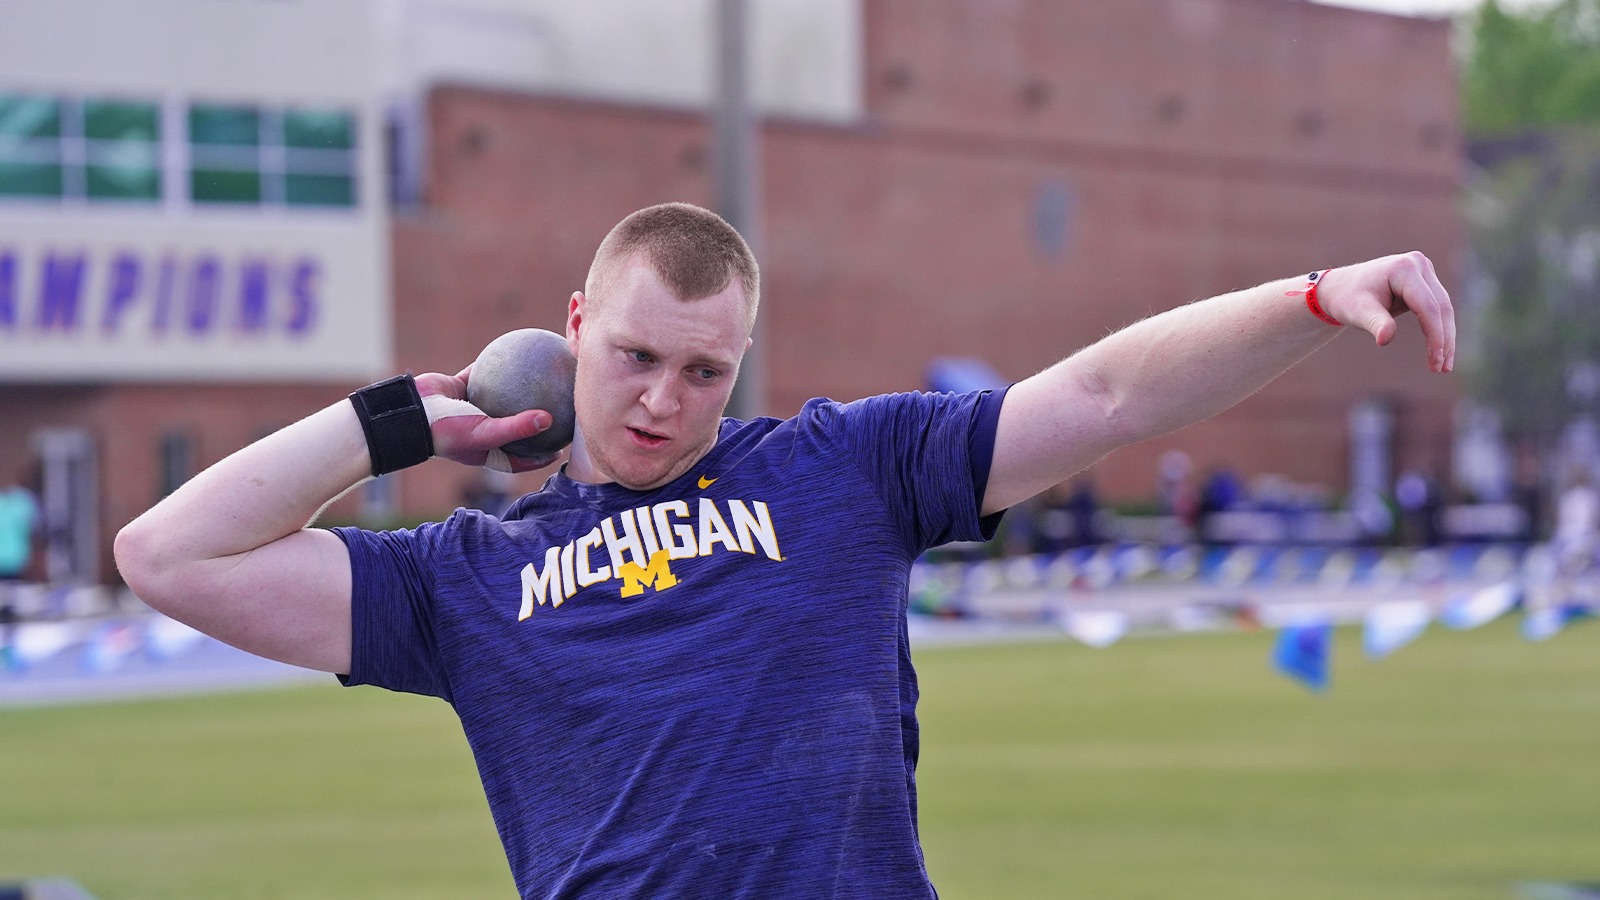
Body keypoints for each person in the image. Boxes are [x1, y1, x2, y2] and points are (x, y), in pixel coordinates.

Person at [114, 202, 1455, 898]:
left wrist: (1311, 301)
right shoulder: (468, 578)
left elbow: (1098, 397)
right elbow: (170, 555)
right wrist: (400, 414)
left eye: (704, 370)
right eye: (635, 356)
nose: (662, 400)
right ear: (575, 325)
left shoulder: (843, 470)